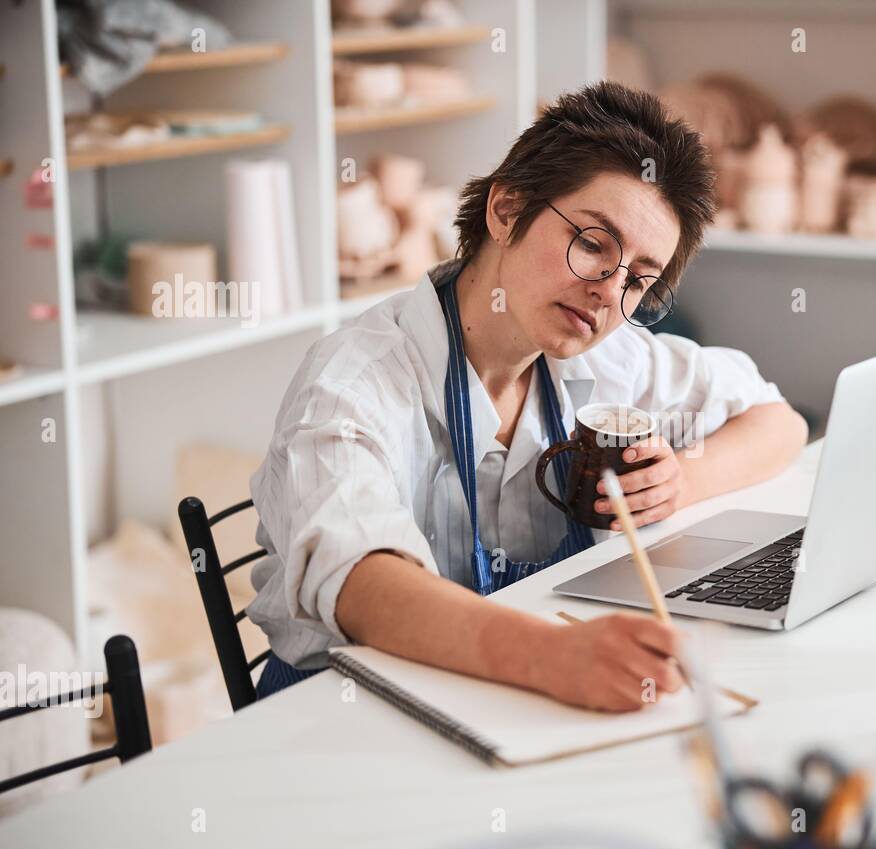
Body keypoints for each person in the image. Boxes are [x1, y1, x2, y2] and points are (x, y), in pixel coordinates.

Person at [246, 81, 807, 711]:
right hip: (342, 717)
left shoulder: (607, 356)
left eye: (639, 281)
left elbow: (778, 422)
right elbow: (363, 584)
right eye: (593, 244)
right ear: (506, 209)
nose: (607, 293)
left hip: (501, 693)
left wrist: (683, 478)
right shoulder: (353, 382)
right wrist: (552, 656)